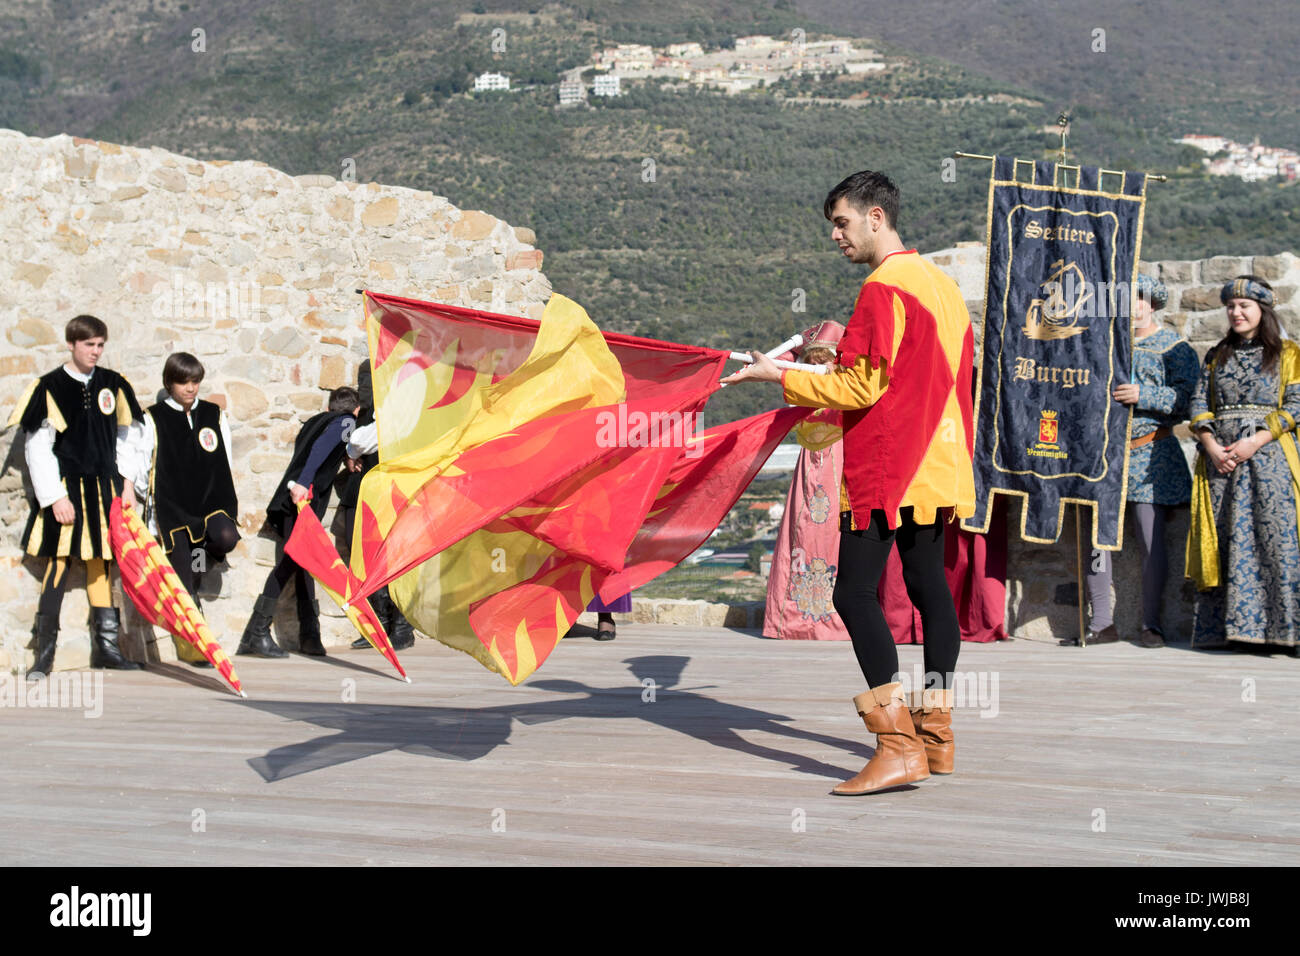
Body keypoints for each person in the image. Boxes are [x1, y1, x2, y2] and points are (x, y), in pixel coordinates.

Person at [723, 170, 975, 795]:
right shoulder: (941, 285)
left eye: (842, 222)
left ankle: (897, 748)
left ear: (876, 218)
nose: (836, 235)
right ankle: (936, 735)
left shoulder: (883, 287)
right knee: (928, 588)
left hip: (892, 463)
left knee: (853, 595)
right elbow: (920, 370)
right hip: (939, 462)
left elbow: (862, 388)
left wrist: (777, 375)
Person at [9, 314, 144, 678]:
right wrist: (54, 498)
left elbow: (128, 437)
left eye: (100, 345)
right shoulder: (51, 386)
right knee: (60, 561)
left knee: (102, 561)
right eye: (89, 345)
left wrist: (128, 483)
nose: (96, 352)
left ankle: (107, 649)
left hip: (104, 489)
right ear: (72, 343)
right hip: (67, 489)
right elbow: (39, 448)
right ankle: (44, 655)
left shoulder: (112, 384)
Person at [1074, 275, 1199, 648]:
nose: (1133, 306)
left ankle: (1151, 625)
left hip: (1151, 453)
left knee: (1151, 540)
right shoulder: (1102, 345)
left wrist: (1144, 394)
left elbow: (1189, 400)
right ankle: (1101, 623)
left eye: (1140, 299)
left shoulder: (1175, 348)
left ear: (1153, 304)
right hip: (1103, 456)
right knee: (1098, 541)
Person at [1187, 276, 1300, 650]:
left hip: (1270, 461)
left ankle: (1282, 634)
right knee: (1226, 539)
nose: (1236, 313)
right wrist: (1211, 446)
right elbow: (1199, 404)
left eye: (1244, 306)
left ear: (1262, 310)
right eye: (1231, 307)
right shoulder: (1216, 356)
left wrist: (1255, 441)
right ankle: (1232, 633)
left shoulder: (1288, 354)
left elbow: (1296, 406)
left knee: (1275, 540)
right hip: (1222, 463)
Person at [122, 352, 240, 667]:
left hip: (210, 502)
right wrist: (138, 496)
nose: (190, 388)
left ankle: (205, 557)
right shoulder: (153, 417)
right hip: (173, 505)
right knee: (183, 575)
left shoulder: (214, 414)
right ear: (170, 383)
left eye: (195, 381)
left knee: (226, 537)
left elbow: (224, 457)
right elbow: (141, 461)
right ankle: (192, 641)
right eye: (183, 382)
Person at [238, 386, 361, 658]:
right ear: (355, 410)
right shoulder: (347, 422)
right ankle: (255, 634)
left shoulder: (317, 422)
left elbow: (324, 445)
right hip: (300, 503)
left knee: (303, 565)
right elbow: (321, 448)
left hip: (290, 503)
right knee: (289, 564)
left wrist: (346, 457)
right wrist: (304, 483)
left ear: (329, 407)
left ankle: (309, 635)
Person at [762, 322, 847, 642]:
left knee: (834, 534)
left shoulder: (843, 383)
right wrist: (802, 339)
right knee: (802, 530)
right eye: (812, 360)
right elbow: (778, 359)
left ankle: (833, 614)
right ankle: (795, 616)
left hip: (840, 460)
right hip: (811, 463)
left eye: (824, 359)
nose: (817, 365)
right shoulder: (805, 382)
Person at [340, 361, 415, 651]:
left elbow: (361, 441)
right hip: (360, 490)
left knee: (391, 556)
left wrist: (352, 450)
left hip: (391, 491)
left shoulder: (400, 408)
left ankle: (401, 625)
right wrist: (349, 452)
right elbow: (349, 439)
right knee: (362, 556)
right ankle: (378, 622)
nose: (364, 385)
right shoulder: (362, 412)